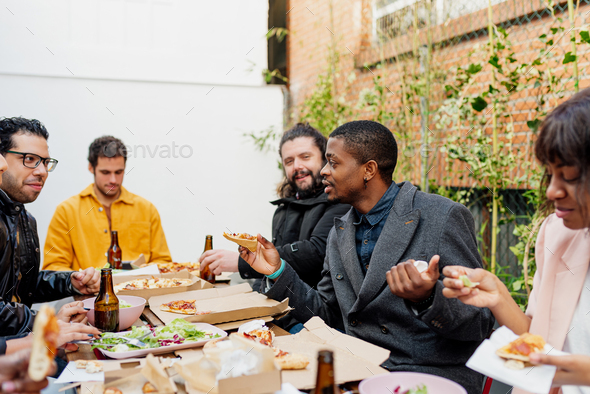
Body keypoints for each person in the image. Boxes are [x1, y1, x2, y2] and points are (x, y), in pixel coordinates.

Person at [239, 120, 495, 394]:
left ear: (368, 170)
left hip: (426, 377)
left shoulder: (442, 216)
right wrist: (278, 271)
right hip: (358, 371)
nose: (324, 171)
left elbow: (480, 321)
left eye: (333, 163)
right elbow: (325, 314)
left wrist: (428, 298)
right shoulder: (341, 231)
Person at [442, 88, 590, 392]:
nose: (551, 191)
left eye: (570, 176)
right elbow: (539, 340)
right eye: (550, 175)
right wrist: (498, 296)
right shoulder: (557, 232)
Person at [199, 123, 350, 289]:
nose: (297, 166)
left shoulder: (340, 200)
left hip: (318, 311)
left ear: (324, 159)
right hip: (282, 307)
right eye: (289, 161)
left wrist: (242, 263)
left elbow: (317, 252)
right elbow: (270, 269)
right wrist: (255, 295)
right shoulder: (283, 209)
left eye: (305, 157)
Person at [0, 117, 100, 337]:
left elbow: (24, 285)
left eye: (45, 162)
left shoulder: (25, 218)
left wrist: (71, 282)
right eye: (30, 159)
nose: (42, 171)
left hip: (24, 345)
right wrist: (45, 322)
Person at [43, 135, 172, 271]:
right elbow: (53, 267)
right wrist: (82, 280)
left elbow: (163, 262)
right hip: (87, 292)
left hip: (140, 290)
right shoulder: (67, 211)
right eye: (105, 172)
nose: (113, 180)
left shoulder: (147, 209)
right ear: (91, 168)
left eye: (119, 172)